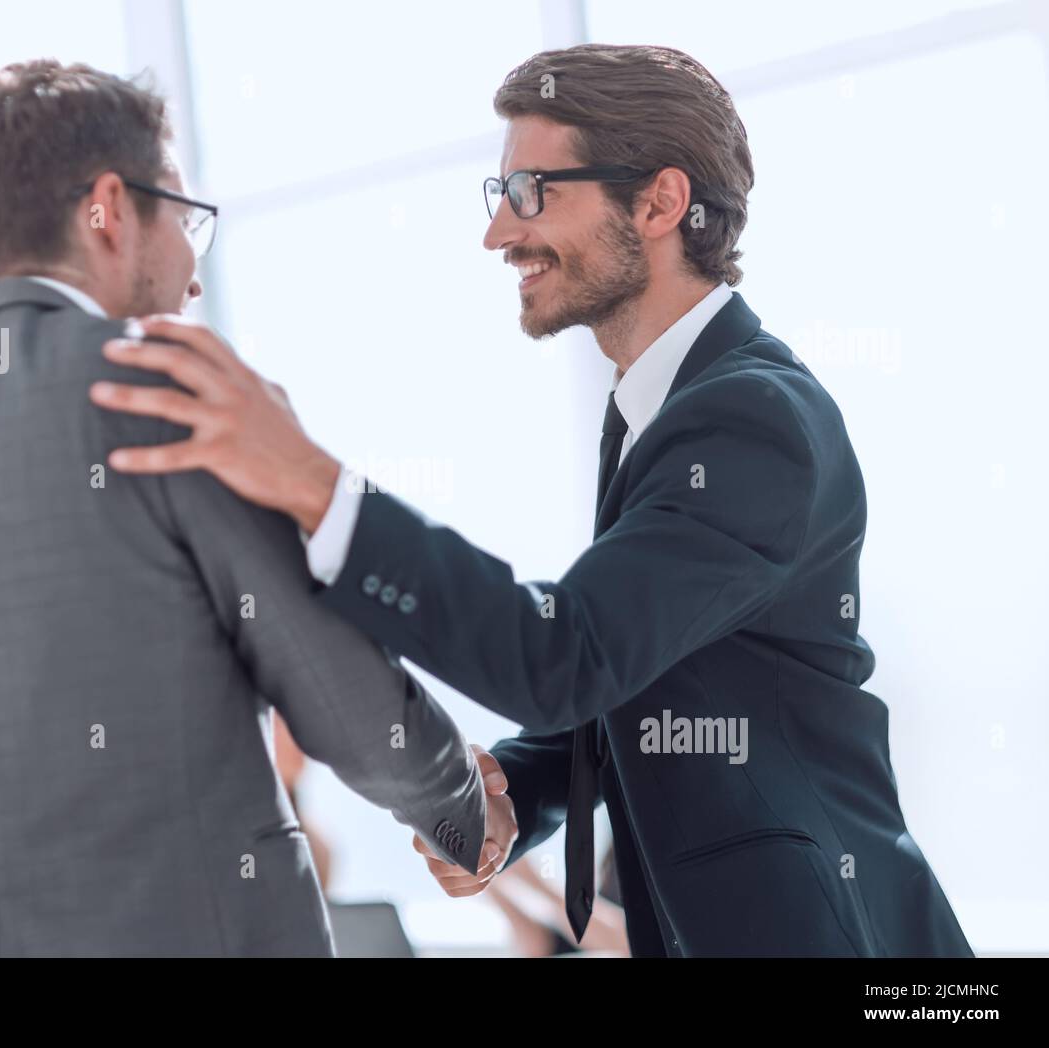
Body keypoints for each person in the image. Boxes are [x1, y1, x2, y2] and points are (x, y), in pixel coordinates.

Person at [88, 44, 973, 957]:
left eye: (532, 193)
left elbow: (567, 654)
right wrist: (514, 796)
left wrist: (314, 484)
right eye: (500, 196)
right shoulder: (661, 411)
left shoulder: (750, 417)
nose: (499, 234)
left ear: (661, 202)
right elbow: (634, 678)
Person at [0, 60, 506, 958]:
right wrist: (468, 817)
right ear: (109, 208)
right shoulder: (178, 398)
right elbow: (349, 707)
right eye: (184, 219)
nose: (192, 271)